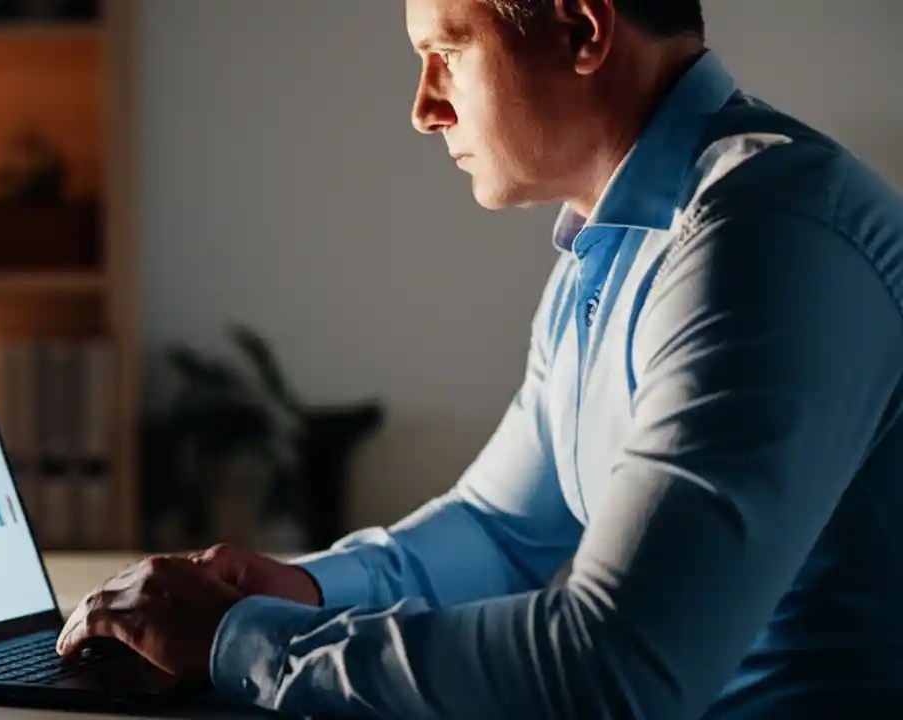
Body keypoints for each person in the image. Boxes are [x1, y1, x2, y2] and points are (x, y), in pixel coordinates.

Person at [59, 0, 903, 716]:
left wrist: (236, 643)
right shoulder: (613, 248)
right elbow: (501, 532)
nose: (425, 107)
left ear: (582, 29)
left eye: (447, 52)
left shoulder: (765, 237)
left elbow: (616, 671)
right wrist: (290, 592)